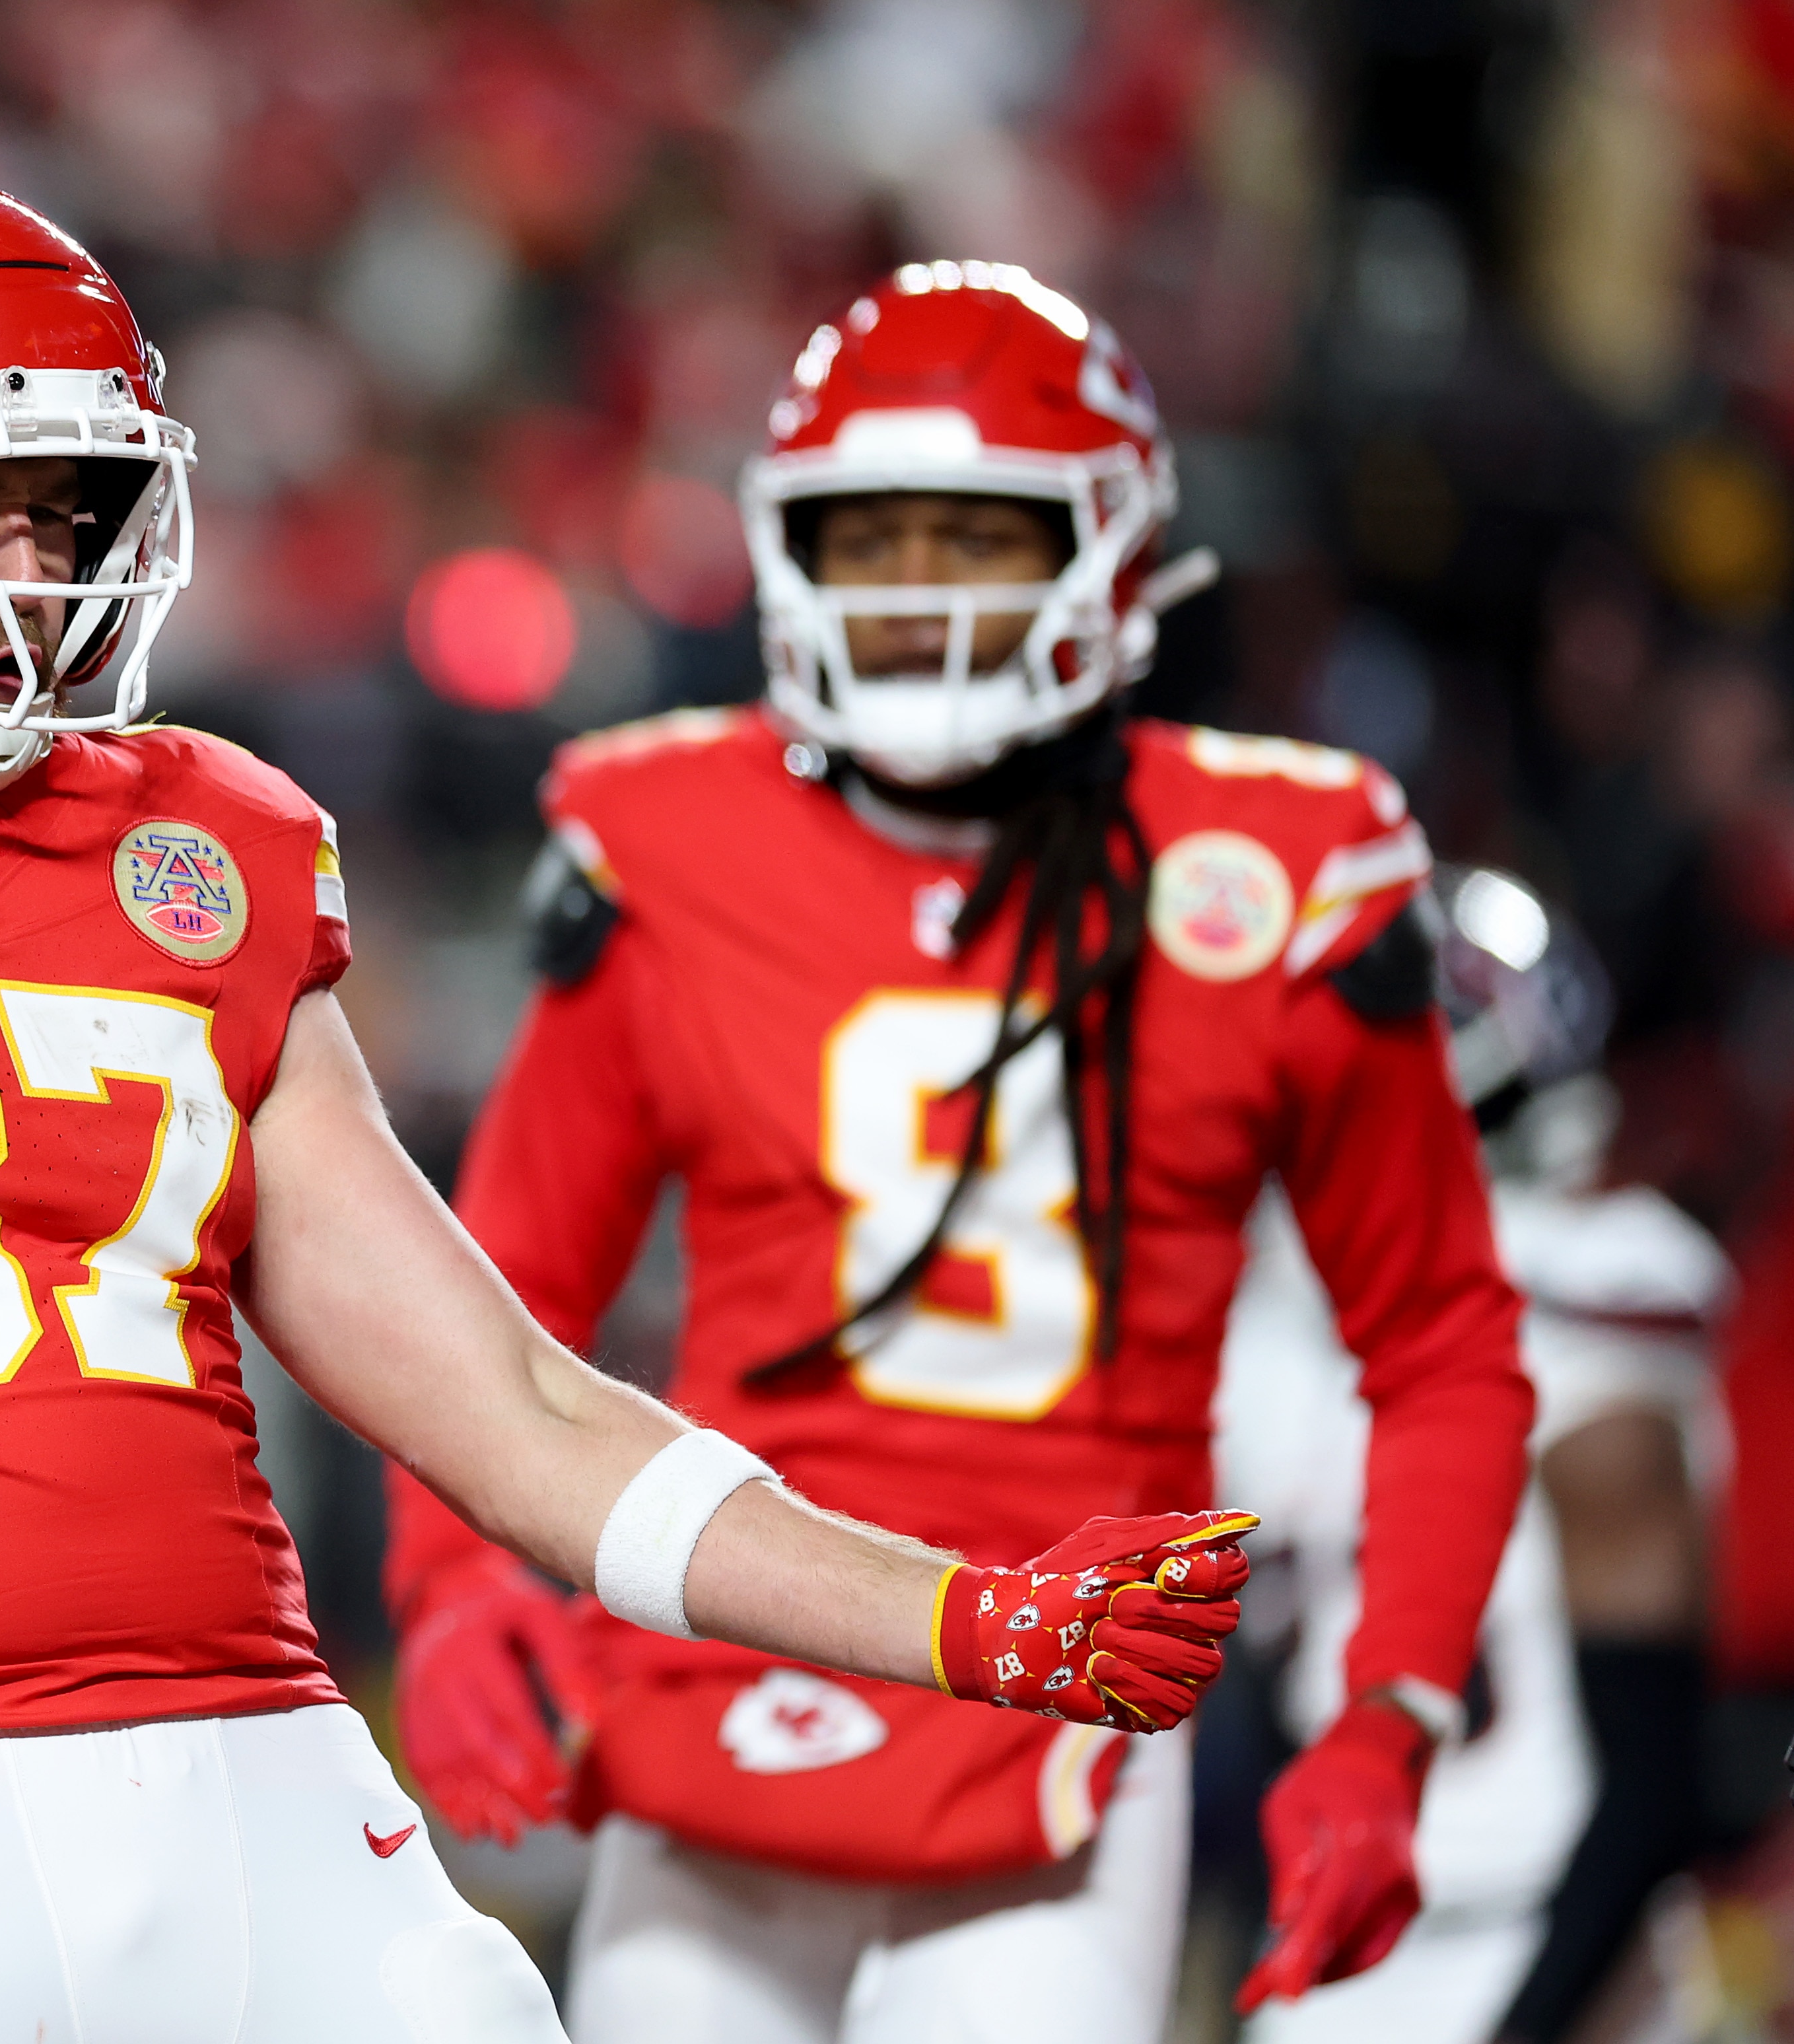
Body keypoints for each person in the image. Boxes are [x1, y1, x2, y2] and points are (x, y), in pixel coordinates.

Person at [0, 186, 1253, 2044]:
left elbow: (511, 1408)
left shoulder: (204, 839)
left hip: (277, 1789)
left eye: (60, 510)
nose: (25, 574)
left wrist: (960, 1620)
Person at [382, 260, 1533, 2044]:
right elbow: (486, 1290)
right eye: (869, 535)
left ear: (1118, 550)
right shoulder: (663, 834)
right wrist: (451, 1588)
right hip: (725, 1636)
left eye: (974, 535)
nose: (914, 595)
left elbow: (1440, 1344)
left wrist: (1391, 1714)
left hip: (1074, 1690)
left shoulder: (1272, 867)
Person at [1219, 866, 1729, 2044]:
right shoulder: (1263, 1329)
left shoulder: (1592, 1298)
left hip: (1551, 1946)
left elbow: (1655, 1787)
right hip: (1336, 1952)